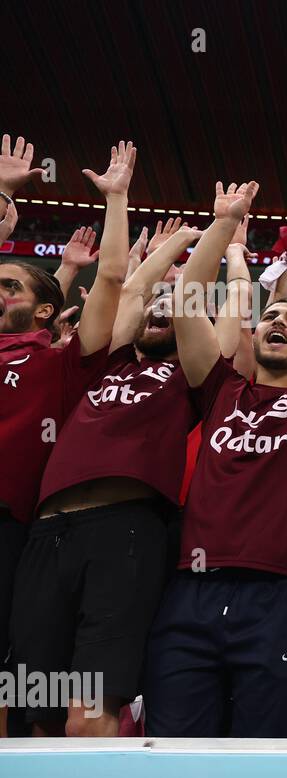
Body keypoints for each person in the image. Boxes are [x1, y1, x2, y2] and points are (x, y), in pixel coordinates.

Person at [143, 181, 287, 737]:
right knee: (175, 746)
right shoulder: (217, 388)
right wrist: (223, 225)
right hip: (191, 590)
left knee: (262, 748)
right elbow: (191, 295)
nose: (277, 323)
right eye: (272, 317)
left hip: (281, 592)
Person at [11, 205, 201, 737]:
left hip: (126, 531)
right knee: (37, 710)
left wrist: (203, 246)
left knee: (89, 708)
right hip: (46, 534)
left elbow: (184, 307)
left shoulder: (191, 373)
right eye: (151, 307)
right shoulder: (94, 361)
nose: (159, 309)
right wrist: (156, 239)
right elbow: (127, 285)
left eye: (174, 306)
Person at [0, 140, 130, 736]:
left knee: (20, 685)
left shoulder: (60, 364)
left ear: (47, 313)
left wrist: (117, 199)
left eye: (10, 289)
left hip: (14, 529)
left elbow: (112, 281)